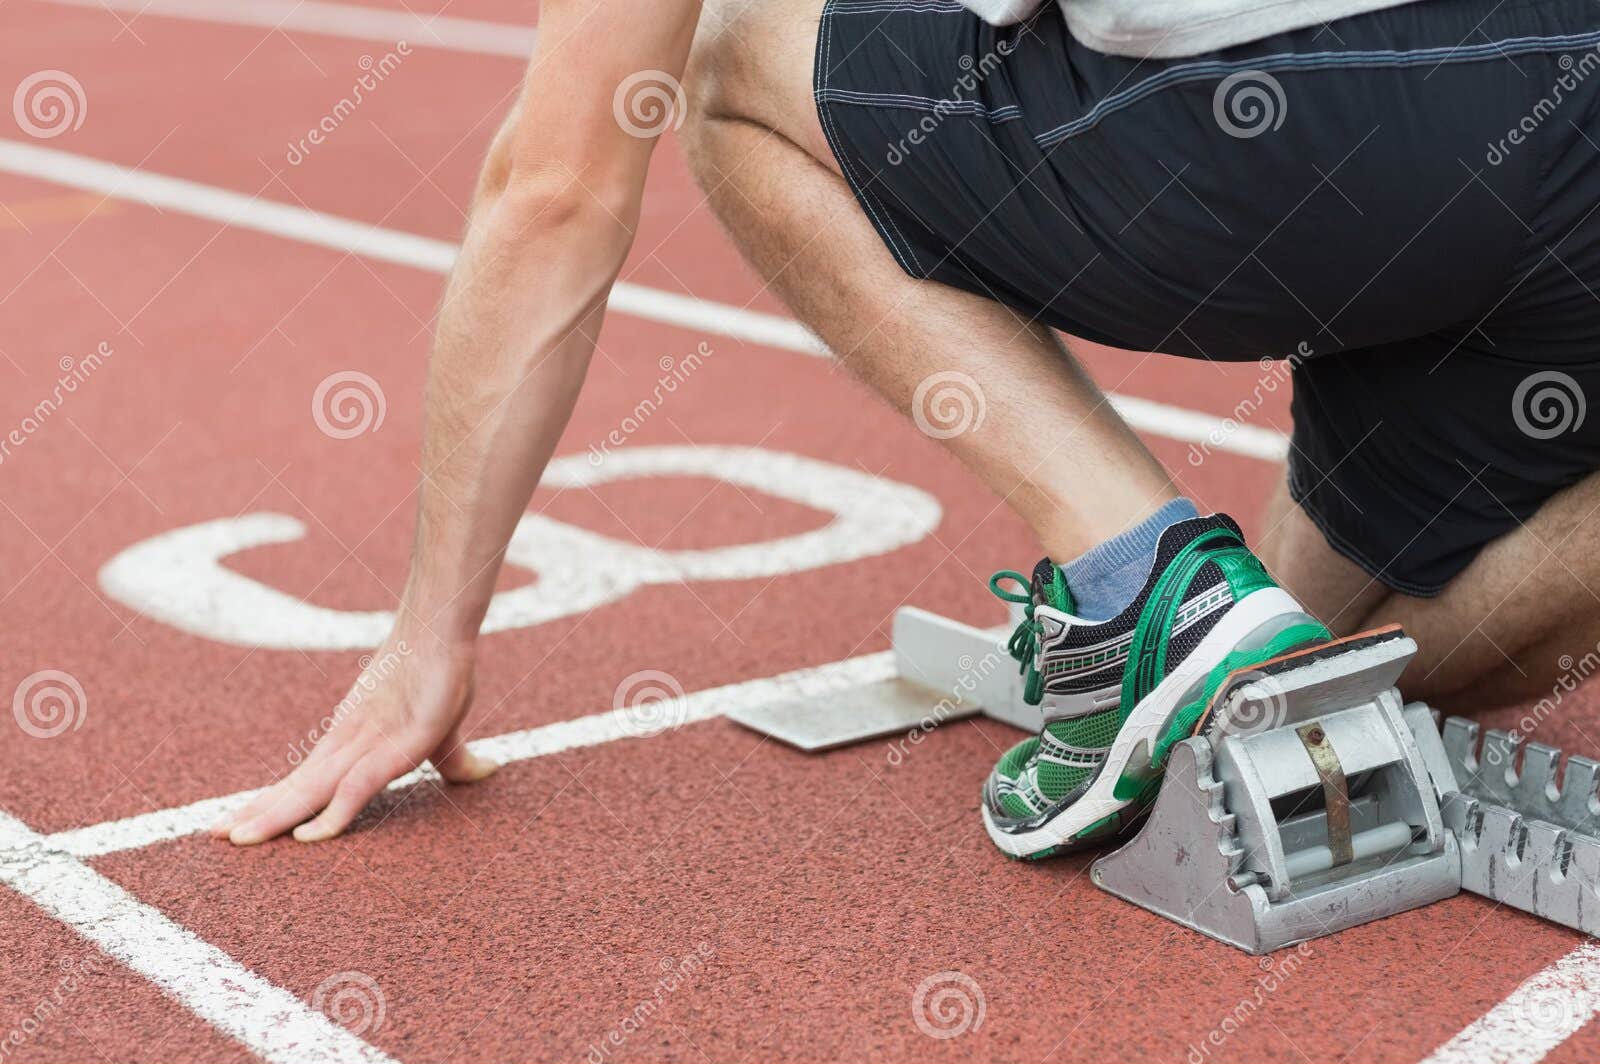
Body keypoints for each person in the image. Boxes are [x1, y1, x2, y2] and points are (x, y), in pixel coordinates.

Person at [218, 0, 1600, 859]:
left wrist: (428, 637)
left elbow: (557, 184)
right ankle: (1212, 630)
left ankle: (1138, 574)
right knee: (1299, 656)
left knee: (726, 62)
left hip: (1291, 118)